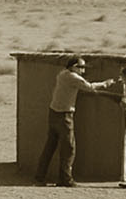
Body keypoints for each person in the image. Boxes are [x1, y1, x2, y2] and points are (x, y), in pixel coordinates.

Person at [34, 56, 118, 187]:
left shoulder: (62, 74)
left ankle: (40, 175)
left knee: (51, 145)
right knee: (69, 148)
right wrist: (106, 83)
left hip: (54, 112)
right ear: (73, 67)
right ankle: (65, 180)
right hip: (64, 115)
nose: (83, 71)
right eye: (81, 68)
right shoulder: (73, 77)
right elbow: (89, 87)